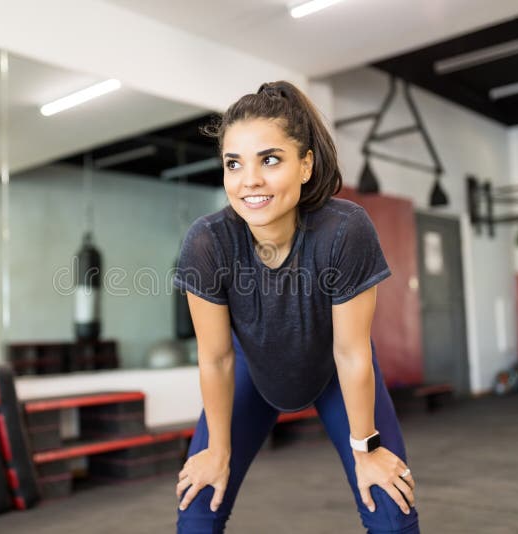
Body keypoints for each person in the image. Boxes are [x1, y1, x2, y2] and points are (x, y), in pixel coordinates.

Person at [172, 81, 419, 533]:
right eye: (234, 163)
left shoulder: (343, 230)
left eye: (270, 159)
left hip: (334, 367)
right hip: (249, 368)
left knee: (390, 506)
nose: (250, 181)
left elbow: (351, 352)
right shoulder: (208, 242)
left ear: (305, 165)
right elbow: (216, 356)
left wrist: (366, 449)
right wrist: (217, 450)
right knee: (196, 510)